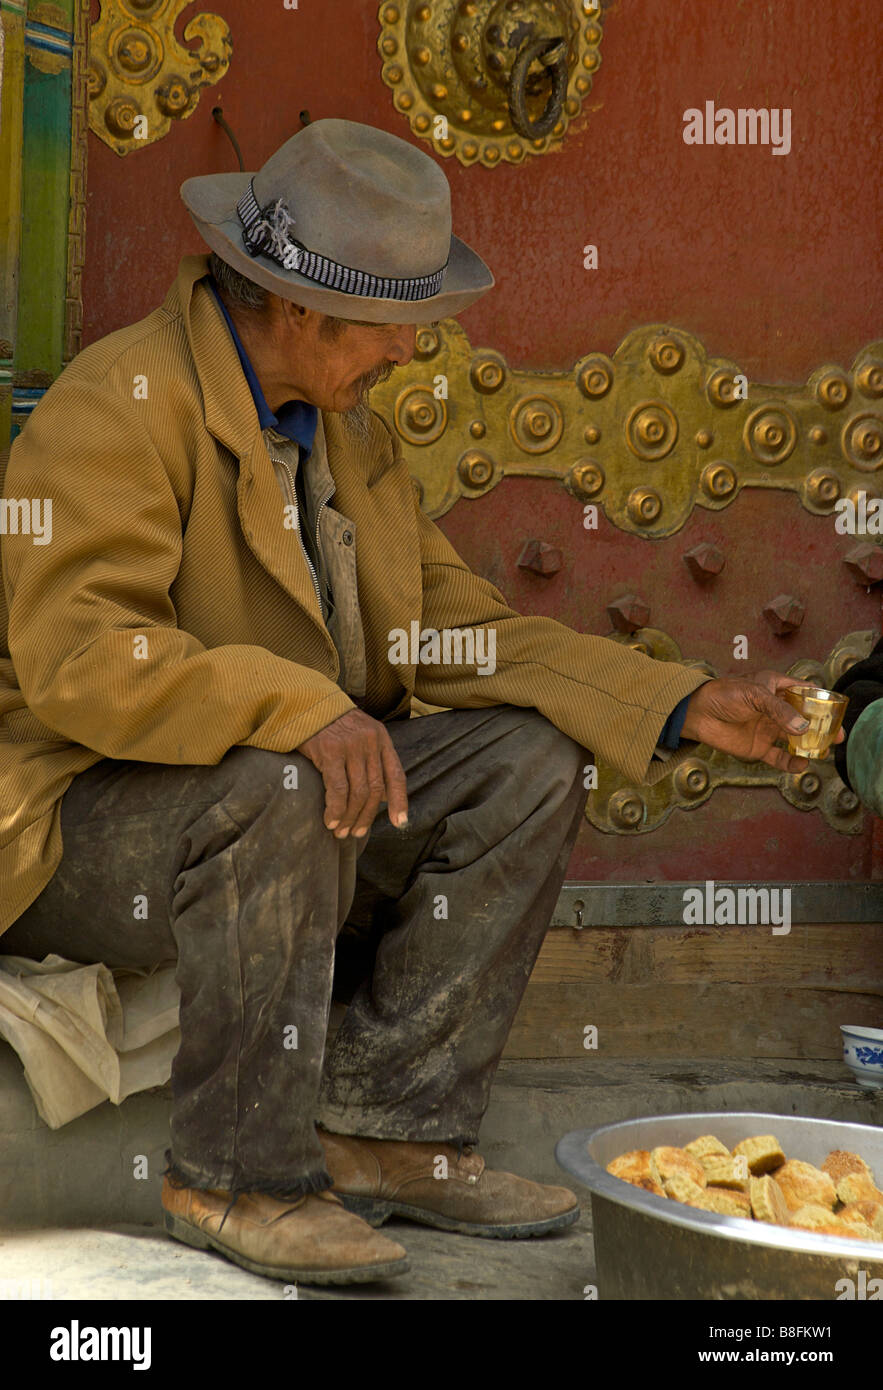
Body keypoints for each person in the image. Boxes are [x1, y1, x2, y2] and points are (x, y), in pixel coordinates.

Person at [0, 118, 823, 1287]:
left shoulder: (349, 438)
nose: (410, 354)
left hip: (271, 799)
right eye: (394, 328)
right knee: (282, 778)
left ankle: (387, 1129)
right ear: (298, 309)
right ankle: (233, 1177)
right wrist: (296, 705)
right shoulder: (119, 403)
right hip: (85, 827)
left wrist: (682, 701)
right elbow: (79, 657)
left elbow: (459, 629)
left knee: (527, 760)